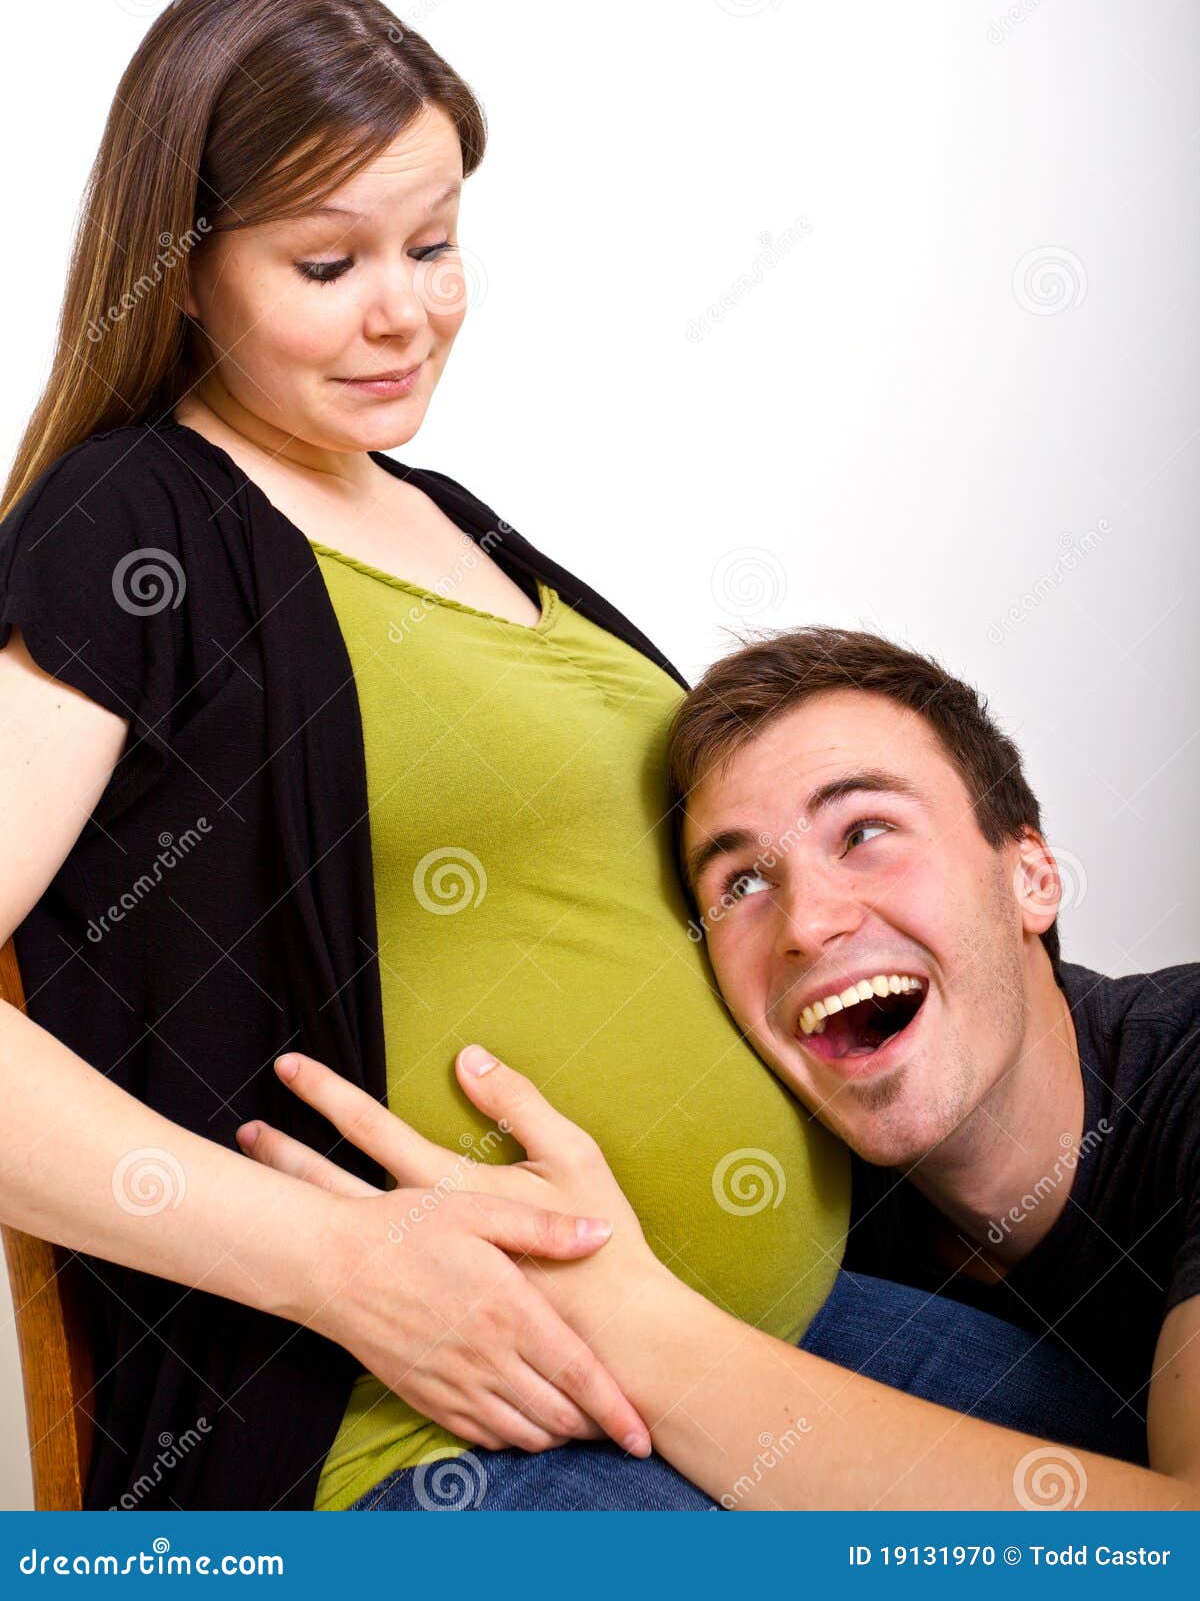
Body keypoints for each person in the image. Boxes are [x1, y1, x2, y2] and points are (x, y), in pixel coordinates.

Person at [0, 0, 847, 1511]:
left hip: (733, 1353)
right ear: (183, 270)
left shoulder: (442, 514)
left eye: (437, 243)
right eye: (327, 263)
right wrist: (342, 1262)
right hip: (440, 1440)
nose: (408, 312)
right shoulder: (144, 520)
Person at [237, 626, 1200, 1510]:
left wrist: (638, 1328)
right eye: (740, 883)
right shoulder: (813, 1196)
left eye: (865, 833)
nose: (808, 923)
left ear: (1032, 874)